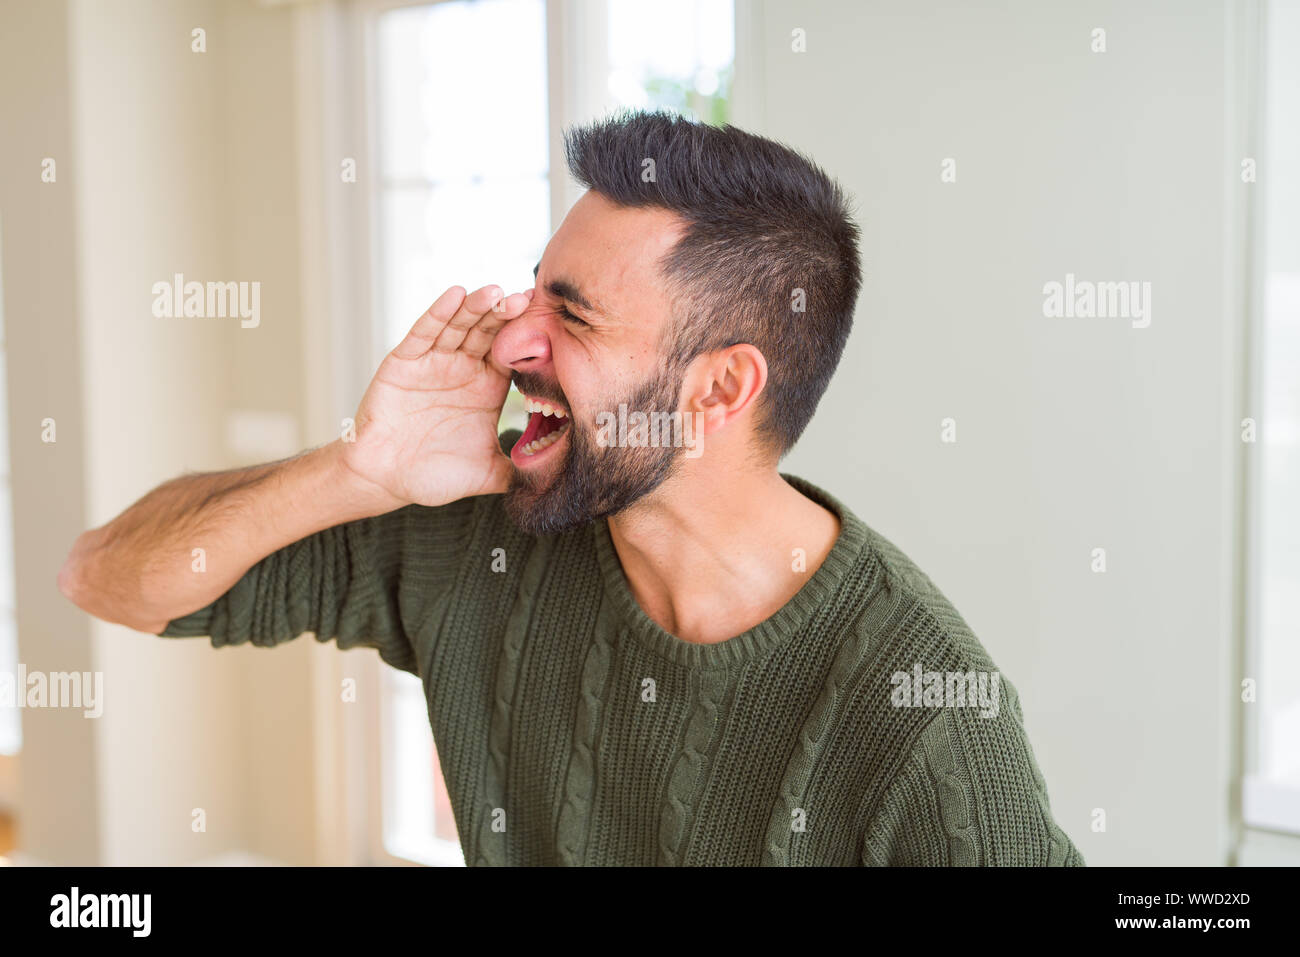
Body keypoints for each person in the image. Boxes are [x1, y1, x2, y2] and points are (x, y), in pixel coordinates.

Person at [59, 110, 1084, 866]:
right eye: (532, 289)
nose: (512, 340)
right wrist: (354, 469)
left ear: (719, 389)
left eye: (573, 315)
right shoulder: (478, 533)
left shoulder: (926, 716)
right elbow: (106, 578)